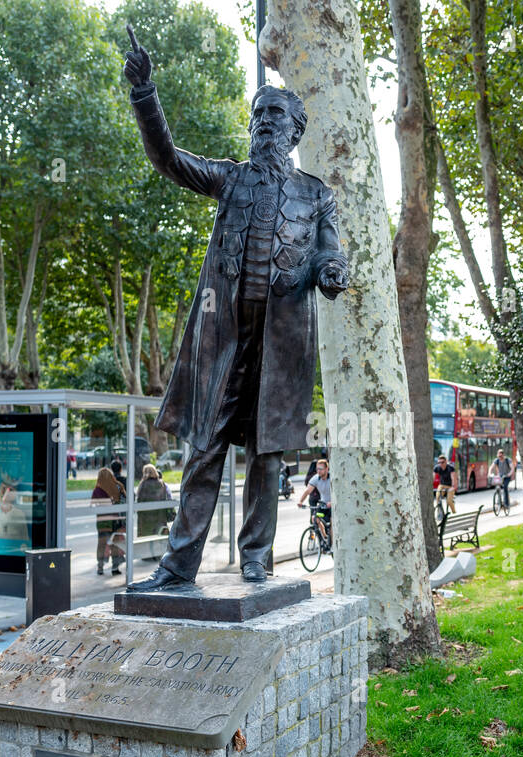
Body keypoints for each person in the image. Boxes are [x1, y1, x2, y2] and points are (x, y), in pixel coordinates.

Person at [122, 31, 349, 591]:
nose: (264, 123)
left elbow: (330, 248)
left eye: (275, 116)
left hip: (281, 344)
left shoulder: (316, 193)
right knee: (205, 451)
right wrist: (145, 94)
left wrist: (332, 270)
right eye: (258, 115)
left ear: (294, 131)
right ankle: (178, 567)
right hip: (223, 340)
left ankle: (256, 561)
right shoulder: (230, 178)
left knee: (267, 458)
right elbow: (169, 159)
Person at [92, 467, 126, 575]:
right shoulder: (118, 486)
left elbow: (93, 504)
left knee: (101, 544)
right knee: (116, 543)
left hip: (103, 521)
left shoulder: (97, 489)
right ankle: (115, 567)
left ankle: (100, 567)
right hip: (116, 520)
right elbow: (125, 501)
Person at [297, 458, 332, 551]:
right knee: (315, 518)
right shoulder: (316, 478)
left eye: (321, 469)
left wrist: (332, 503)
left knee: (333, 521)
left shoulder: (332, 477)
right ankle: (325, 538)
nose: (318, 471)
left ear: (327, 469)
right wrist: (301, 501)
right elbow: (307, 491)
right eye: (317, 469)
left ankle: (332, 543)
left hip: (333, 505)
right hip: (323, 504)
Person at [135, 463, 173, 539]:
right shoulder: (161, 483)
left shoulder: (143, 484)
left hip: (146, 520)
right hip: (160, 518)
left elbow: (139, 501)